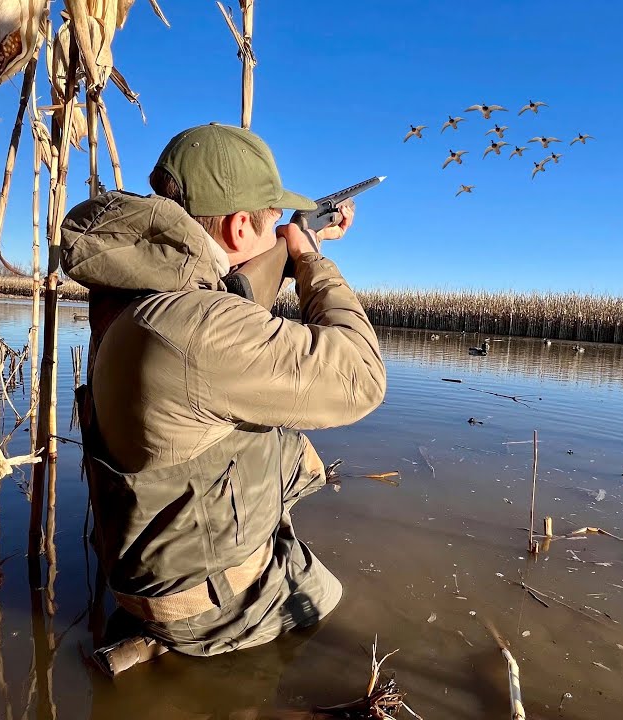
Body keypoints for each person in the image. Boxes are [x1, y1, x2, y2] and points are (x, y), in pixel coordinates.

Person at [60, 123, 386, 664]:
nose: (279, 231)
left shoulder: (133, 291)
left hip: (156, 568)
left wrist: (302, 239)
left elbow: (224, 300)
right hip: (212, 610)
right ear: (239, 227)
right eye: (272, 222)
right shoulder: (197, 331)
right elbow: (362, 376)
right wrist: (309, 261)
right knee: (337, 615)